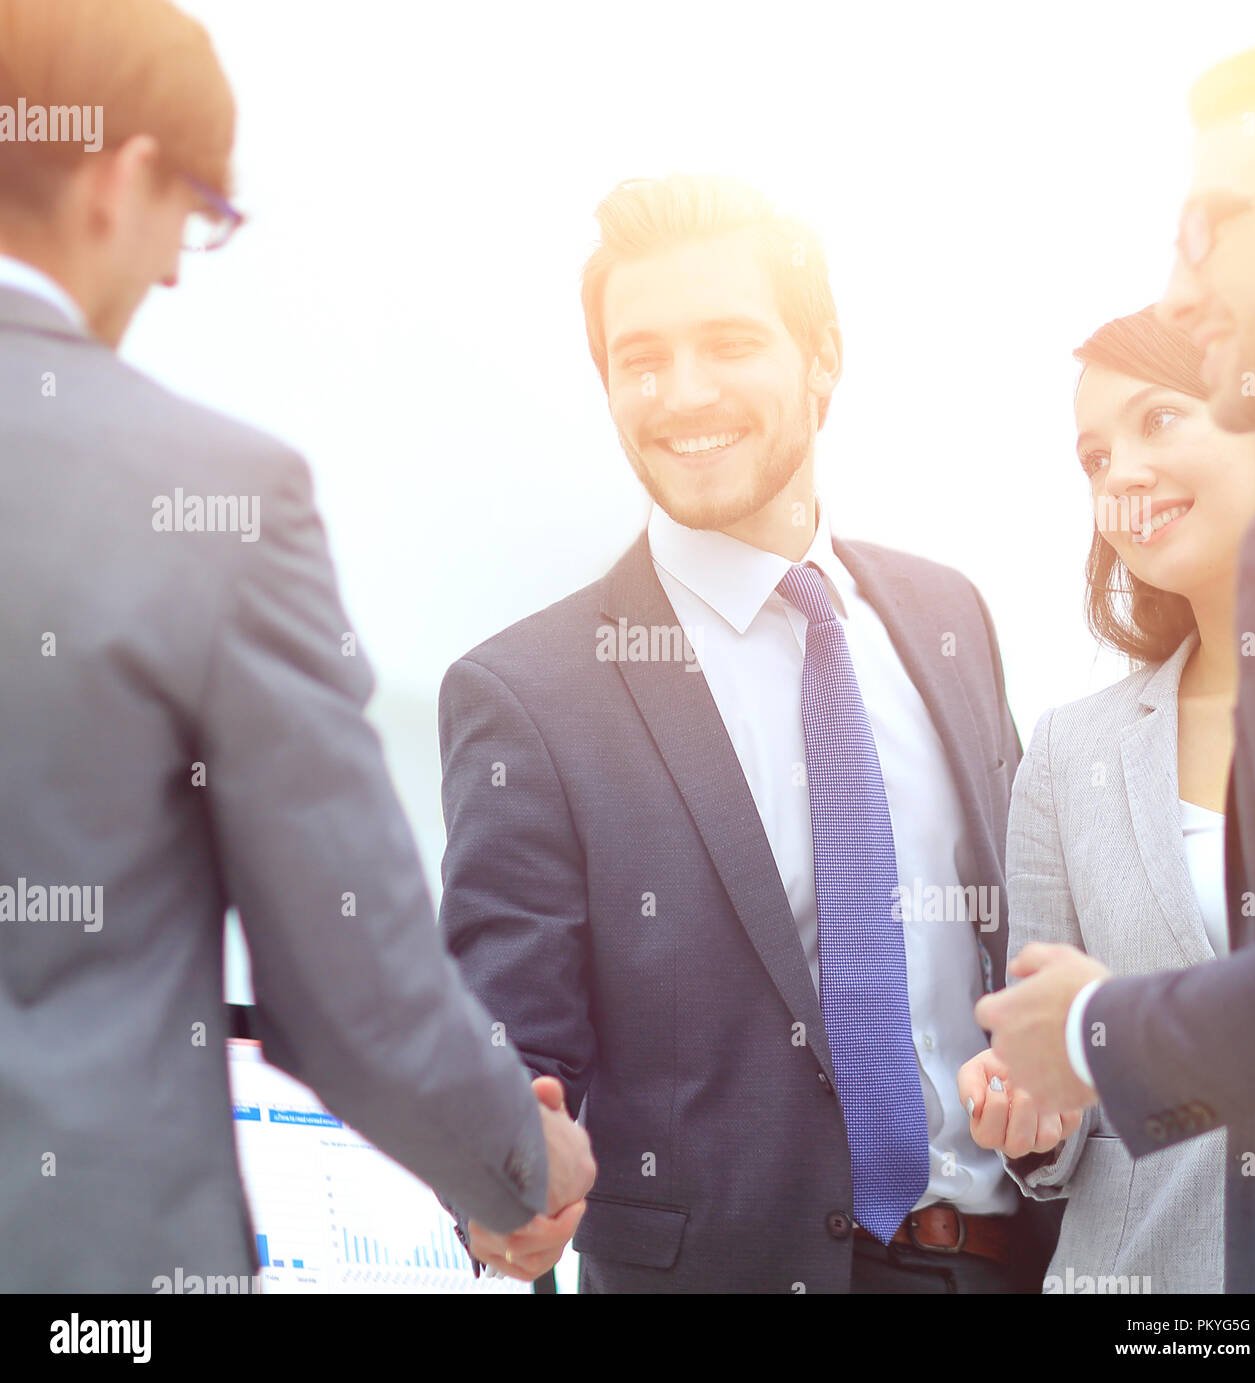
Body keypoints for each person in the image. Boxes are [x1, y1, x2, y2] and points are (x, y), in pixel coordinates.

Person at [0, 0, 593, 1292]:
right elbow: (355, 987)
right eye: (197, 218)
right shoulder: (215, 497)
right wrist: (521, 1163)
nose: (169, 271)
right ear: (124, 176)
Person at [437, 172, 1062, 1293]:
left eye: (728, 343)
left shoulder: (946, 616)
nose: (682, 393)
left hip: (1002, 1265)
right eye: (641, 359)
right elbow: (502, 1041)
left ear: (823, 359)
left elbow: (1021, 937)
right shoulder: (525, 695)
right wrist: (499, 1189)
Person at [975, 30, 1255, 1294]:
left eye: (1157, 420)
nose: (1122, 478)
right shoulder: (1068, 750)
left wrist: (1098, 1031)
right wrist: (1033, 1108)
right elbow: (1047, 1093)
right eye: (1092, 458)